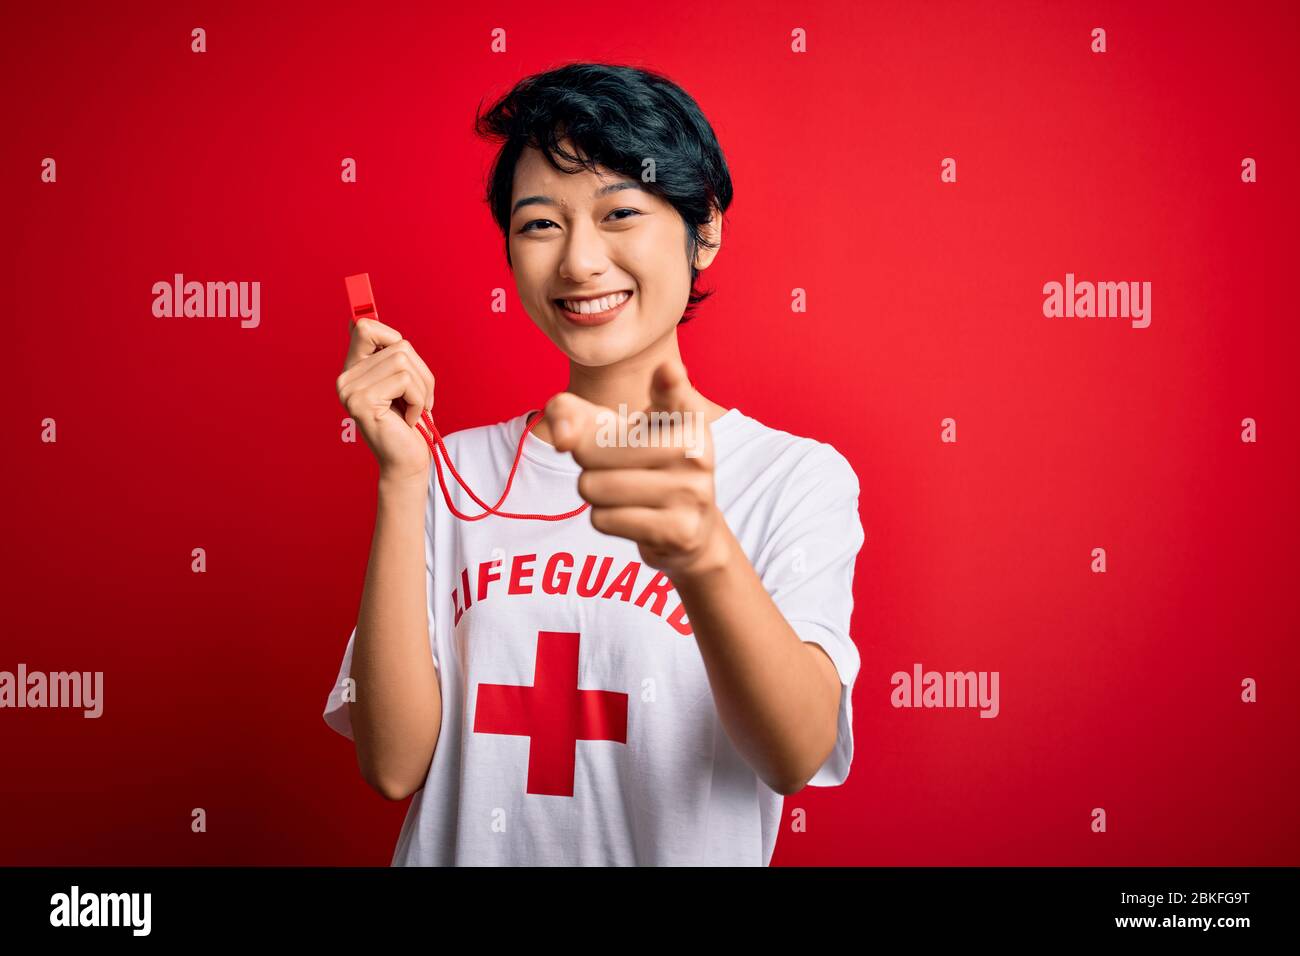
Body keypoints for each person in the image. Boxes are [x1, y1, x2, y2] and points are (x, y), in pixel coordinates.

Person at [324, 62, 865, 866]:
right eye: (540, 224)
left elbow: (794, 753)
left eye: (620, 213)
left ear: (704, 228)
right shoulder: (448, 467)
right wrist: (403, 480)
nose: (579, 262)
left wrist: (701, 553)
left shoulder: (791, 477)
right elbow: (394, 767)